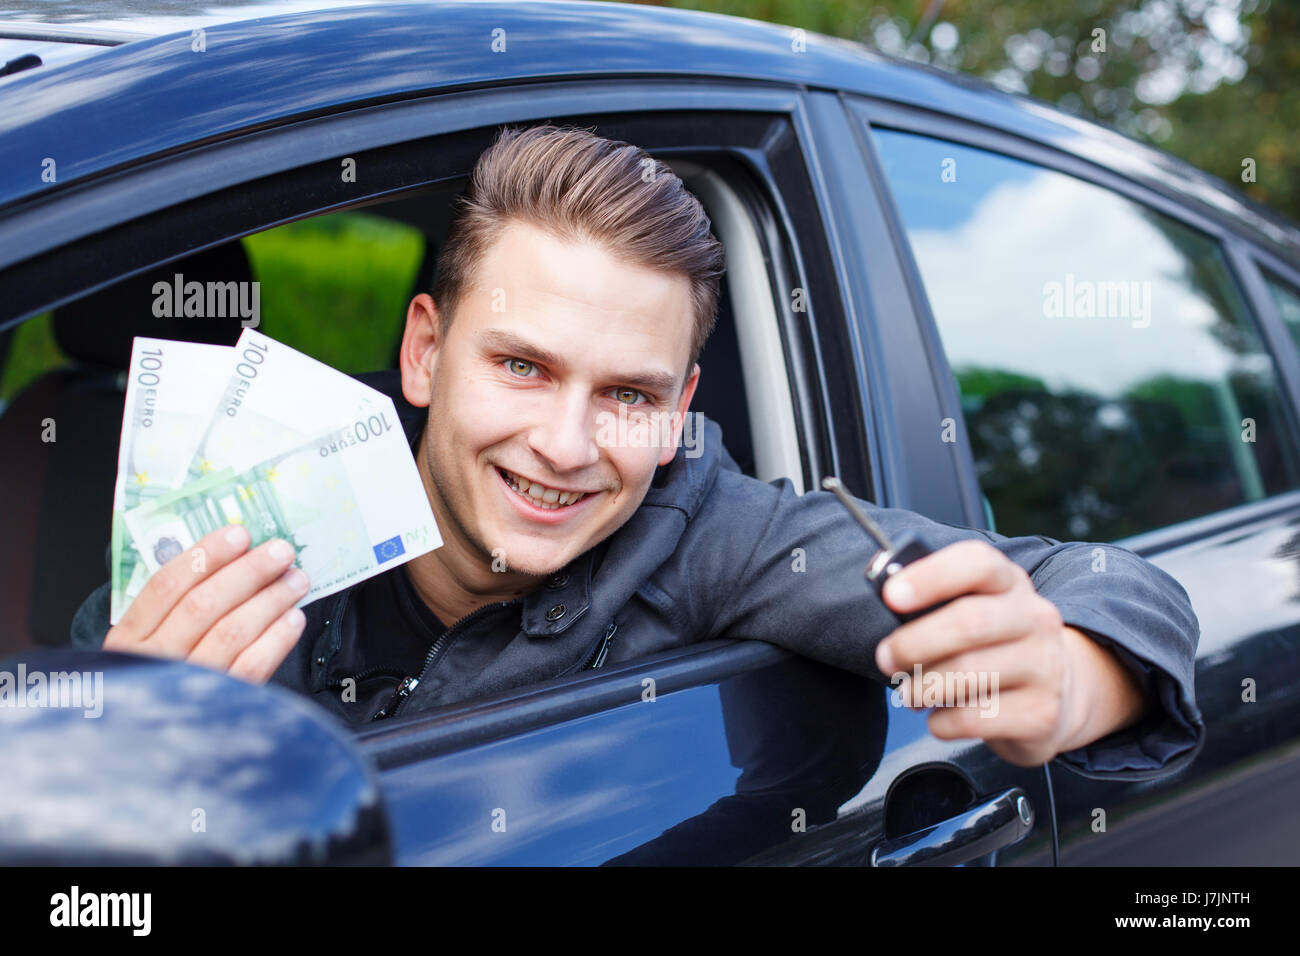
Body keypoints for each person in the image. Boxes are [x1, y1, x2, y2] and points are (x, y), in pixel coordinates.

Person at [71, 124, 1204, 778]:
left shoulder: (715, 532)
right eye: (520, 365)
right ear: (425, 353)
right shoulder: (244, 495)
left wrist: (1068, 674)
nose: (564, 446)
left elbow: (1111, 585)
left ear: (680, 410)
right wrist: (111, 752)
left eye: (627, 394)